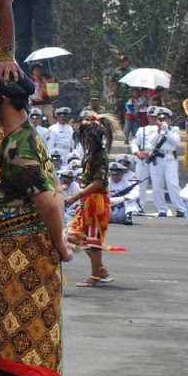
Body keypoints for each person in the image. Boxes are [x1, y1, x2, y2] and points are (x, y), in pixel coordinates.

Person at [0, 70, 70, 376]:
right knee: (42, 332)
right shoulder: (30, 137)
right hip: (32, 250)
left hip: (26, 254)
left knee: (23, 335)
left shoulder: (17, 145)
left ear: (2, 99)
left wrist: (61, 245)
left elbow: (48, 202)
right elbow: (57, 192)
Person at [64, 116, 118, 285]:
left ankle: (95, 277)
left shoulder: (99, 156)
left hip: (96, 201)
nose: (84, 141)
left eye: (86, 137)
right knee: (78, 237)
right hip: (88, 199)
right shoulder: (92, 154)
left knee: (92, 240)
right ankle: (101, 270)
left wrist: (75, 196)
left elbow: (98, 182)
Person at [133, 108, 184, 218]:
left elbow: (176, 141)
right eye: (160, 118)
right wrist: (160, 130)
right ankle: (161, 209)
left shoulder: (174, 129)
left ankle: (181, 209)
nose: (163, 121)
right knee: (157, 185)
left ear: (169, 119)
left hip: (169, 158)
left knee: (173, 184)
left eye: (164, 118)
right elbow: (152, 142)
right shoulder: (155, 130)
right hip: (157, 159)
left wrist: (167, 131)